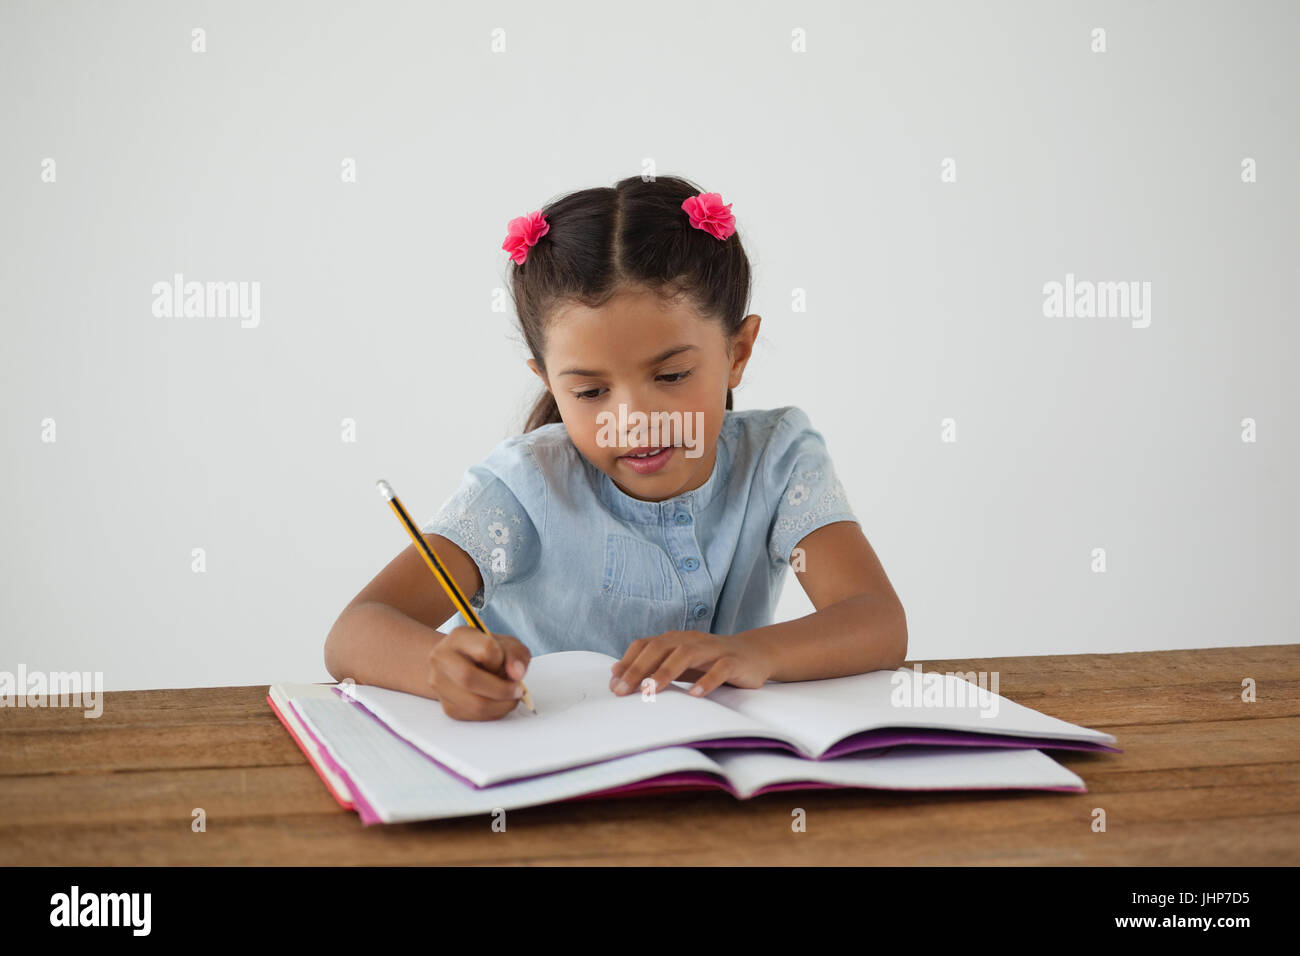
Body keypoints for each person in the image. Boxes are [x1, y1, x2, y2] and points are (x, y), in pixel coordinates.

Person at [324, 174, 906, 721]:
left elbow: (876, 620)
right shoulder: (527, 487)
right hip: (545, 776)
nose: (633, 422)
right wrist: (437, 669)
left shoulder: (777, 458)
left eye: (672, 376)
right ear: (549, 381)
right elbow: (355, 631)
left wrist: (755, 653)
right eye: (591, 391)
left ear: (737, 352)